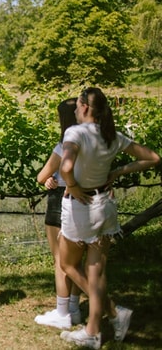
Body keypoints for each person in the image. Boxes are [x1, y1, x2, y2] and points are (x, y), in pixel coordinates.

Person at [58, 88, 160, 349]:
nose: (76, 109)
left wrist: (72, 185)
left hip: (81, 208)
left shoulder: (75, 133)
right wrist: (117, 172)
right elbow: (153, 158)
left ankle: (113, 312)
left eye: (77, 105)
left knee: (68, 264)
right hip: (105, 205)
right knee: (96, 270)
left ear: (83, 107)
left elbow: (66, 166)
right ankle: (93, 331)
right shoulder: (111, 134)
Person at [34, 98, 83, 329]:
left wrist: (48, 179)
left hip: (60, 200)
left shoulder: (63, 146)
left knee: (60, 260)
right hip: (83, 199)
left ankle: (62, 312)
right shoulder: (90, 143)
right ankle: (75, 308)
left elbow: (41, 176)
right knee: (77, 259)